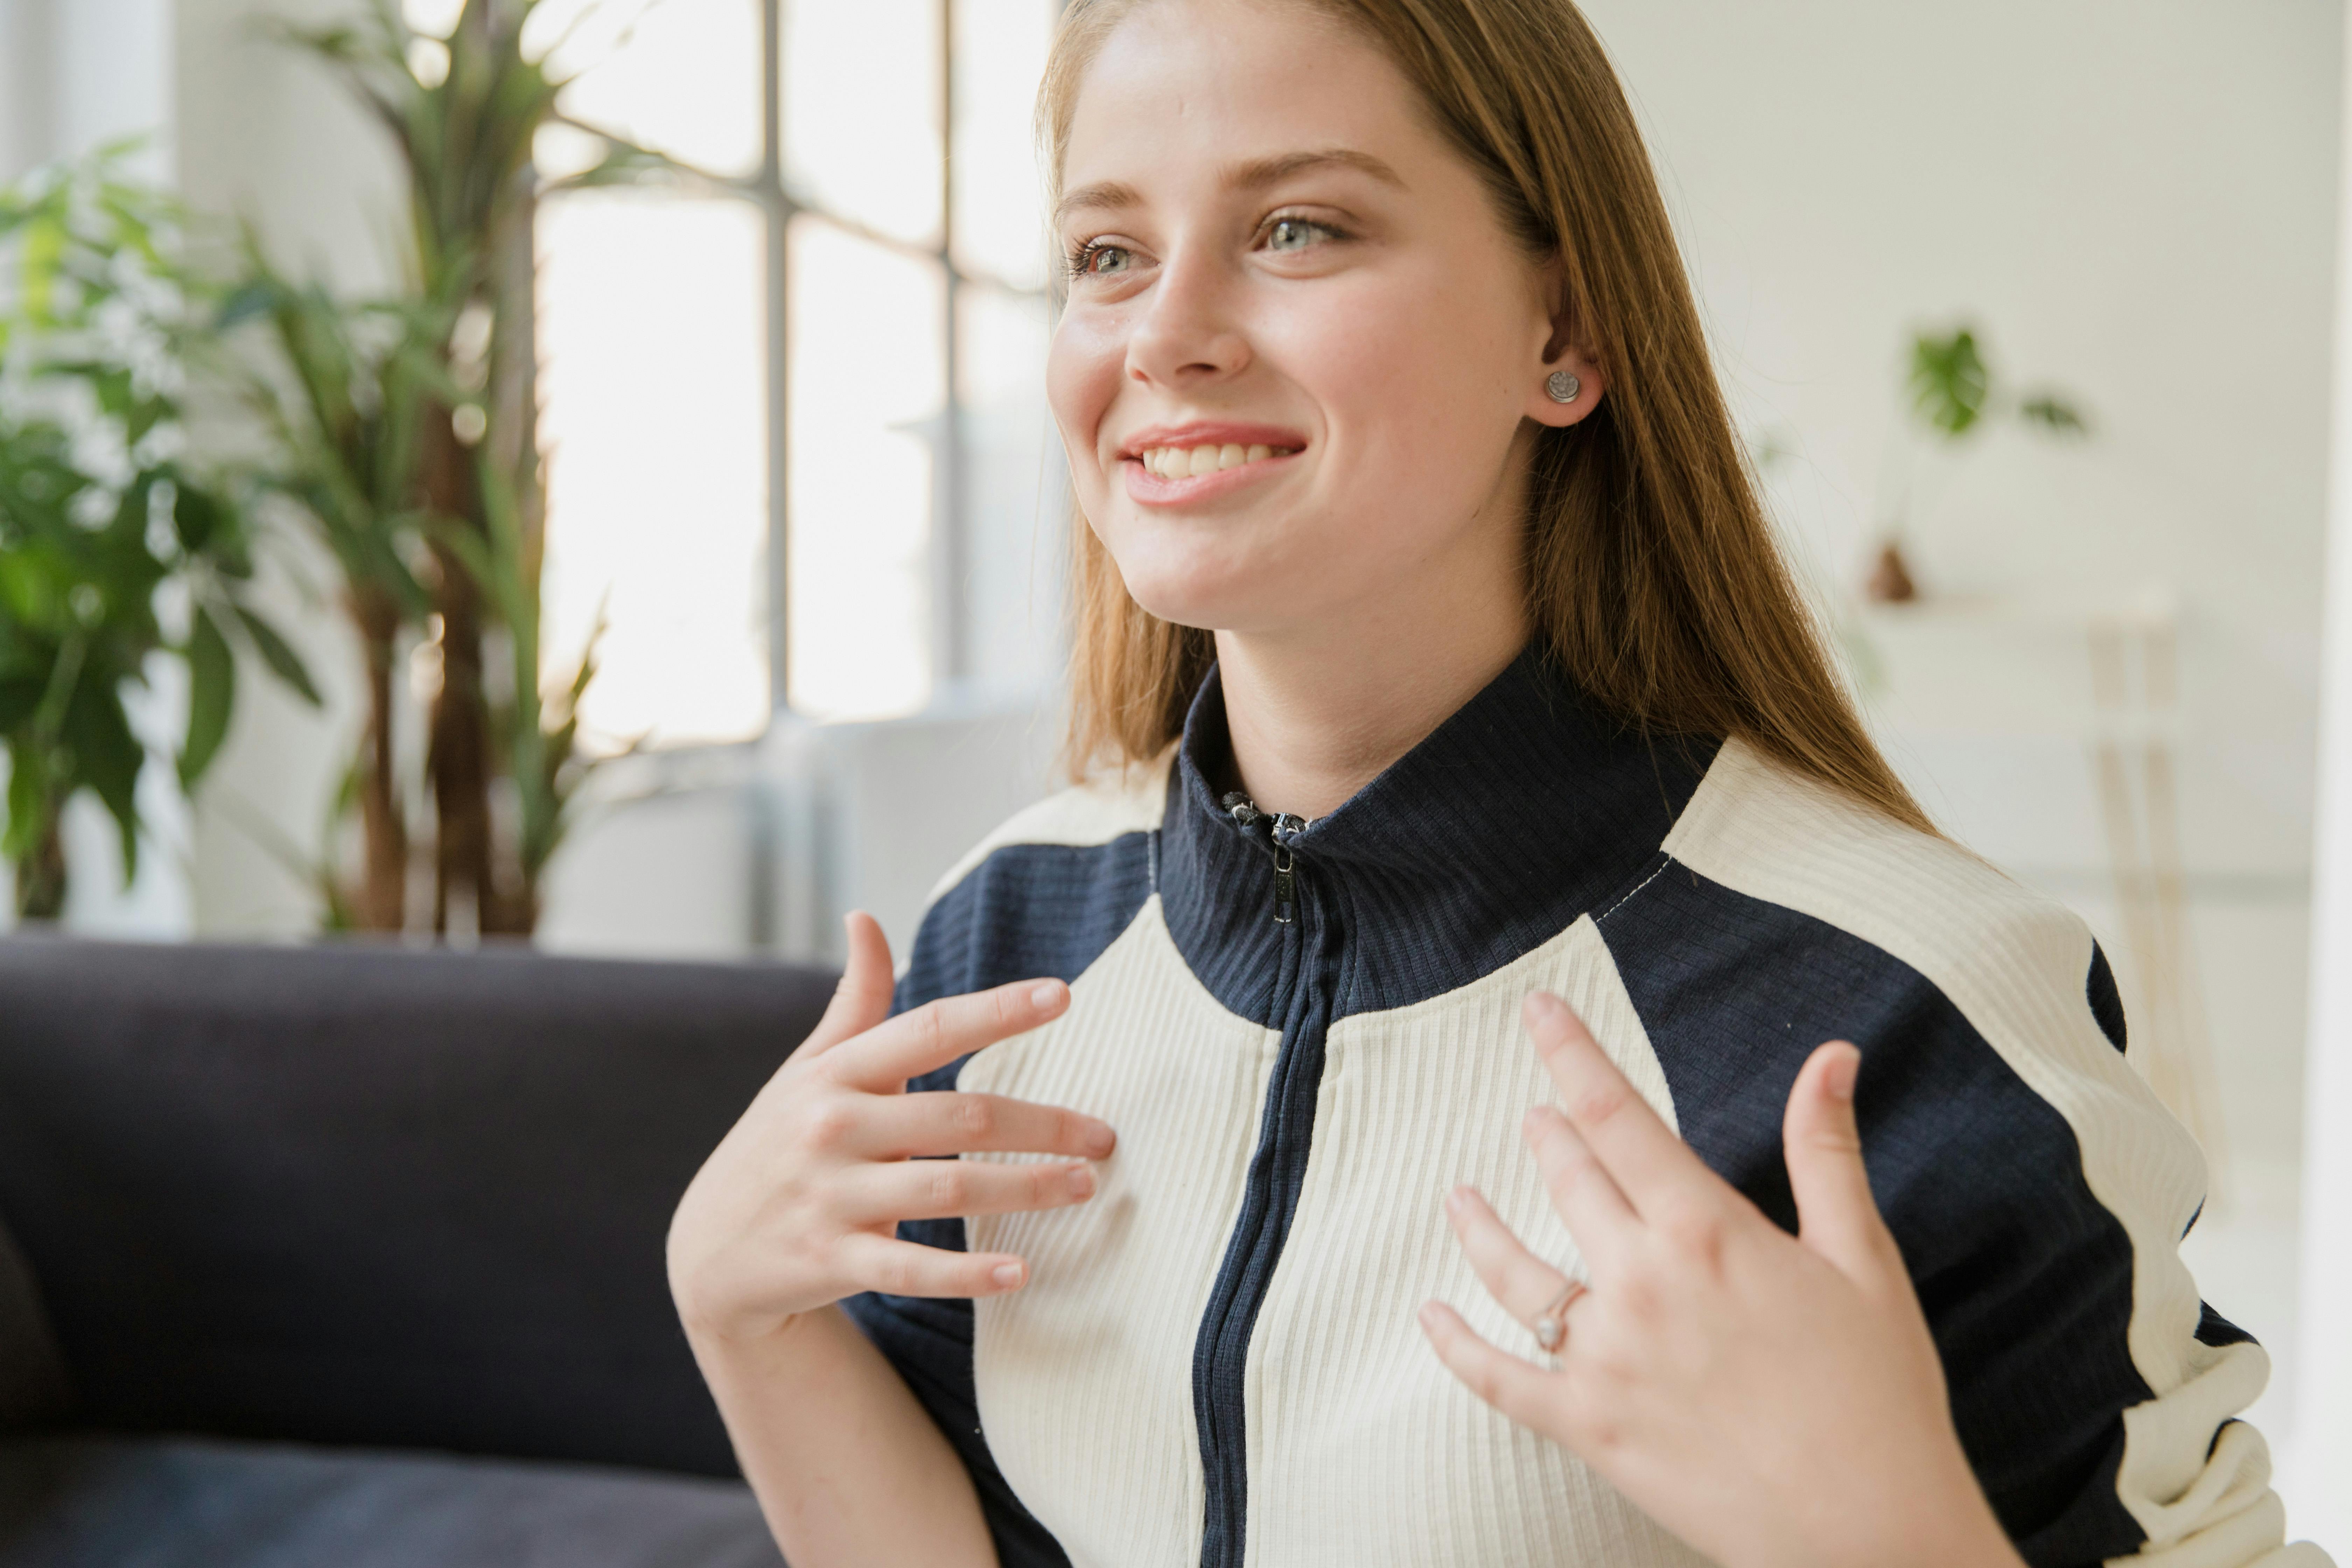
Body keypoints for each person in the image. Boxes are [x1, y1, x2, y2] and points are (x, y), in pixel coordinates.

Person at [666, 0, 2330, 1563]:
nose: (1163, 335)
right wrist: (742, 1316)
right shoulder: (1006, 938)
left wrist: (1890, 1529)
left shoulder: (1901, 1014)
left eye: (1297, 227)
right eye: (1107, 253)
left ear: (1566, 331)